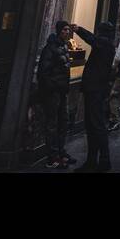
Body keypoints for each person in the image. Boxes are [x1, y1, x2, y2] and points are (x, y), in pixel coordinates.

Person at [70, 21, 116, 172]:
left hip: (95, 89)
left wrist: (78, 29)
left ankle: (103, 160)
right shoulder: (108, 45)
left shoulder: (104, 43)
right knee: (93, 125)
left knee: (96, 125)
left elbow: (92, 39)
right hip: (97, 88)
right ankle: (94, 160)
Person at [36, 20, 75, 168]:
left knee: (62, 122)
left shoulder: (64, 46)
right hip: (53, 93)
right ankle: (52, 157)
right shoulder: (50, 48)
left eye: (68, 30)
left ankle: (60, 152)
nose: (67, 32)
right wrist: (54, 86)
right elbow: (43, 72)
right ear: (59, 31)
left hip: (62, 91)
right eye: (64, 30)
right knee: (52, 124)